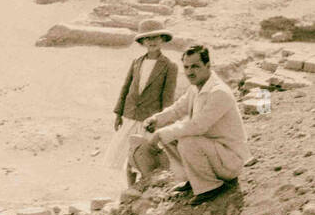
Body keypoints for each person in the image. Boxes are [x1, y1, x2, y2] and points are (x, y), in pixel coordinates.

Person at [135, 44, 247, 205]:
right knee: (172, 133)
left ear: (208, 66)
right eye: (186, 67)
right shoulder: (195, 88)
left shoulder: (219, 92)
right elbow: (177, 109)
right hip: (214, 152)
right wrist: (156, 120)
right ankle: (192, 178)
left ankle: (210, 187)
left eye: (195, 66)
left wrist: (163, 133)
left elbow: (198, 126)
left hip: (230, 161)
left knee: (186, 140)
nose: (189, 72)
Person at [106, 19, 178, 189]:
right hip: (130, 116)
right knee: (128, 156)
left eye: (156, 38)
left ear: (162, 40)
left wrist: (161, 121)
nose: (152, 42)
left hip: (149, 119)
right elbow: (126, 88)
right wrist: (118, 114)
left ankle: (147, 189)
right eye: (147, 38)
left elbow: (168, 97)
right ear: (142, 42)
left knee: (143, 154)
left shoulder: (169, 66)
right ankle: (130, 190)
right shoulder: (137, 62)